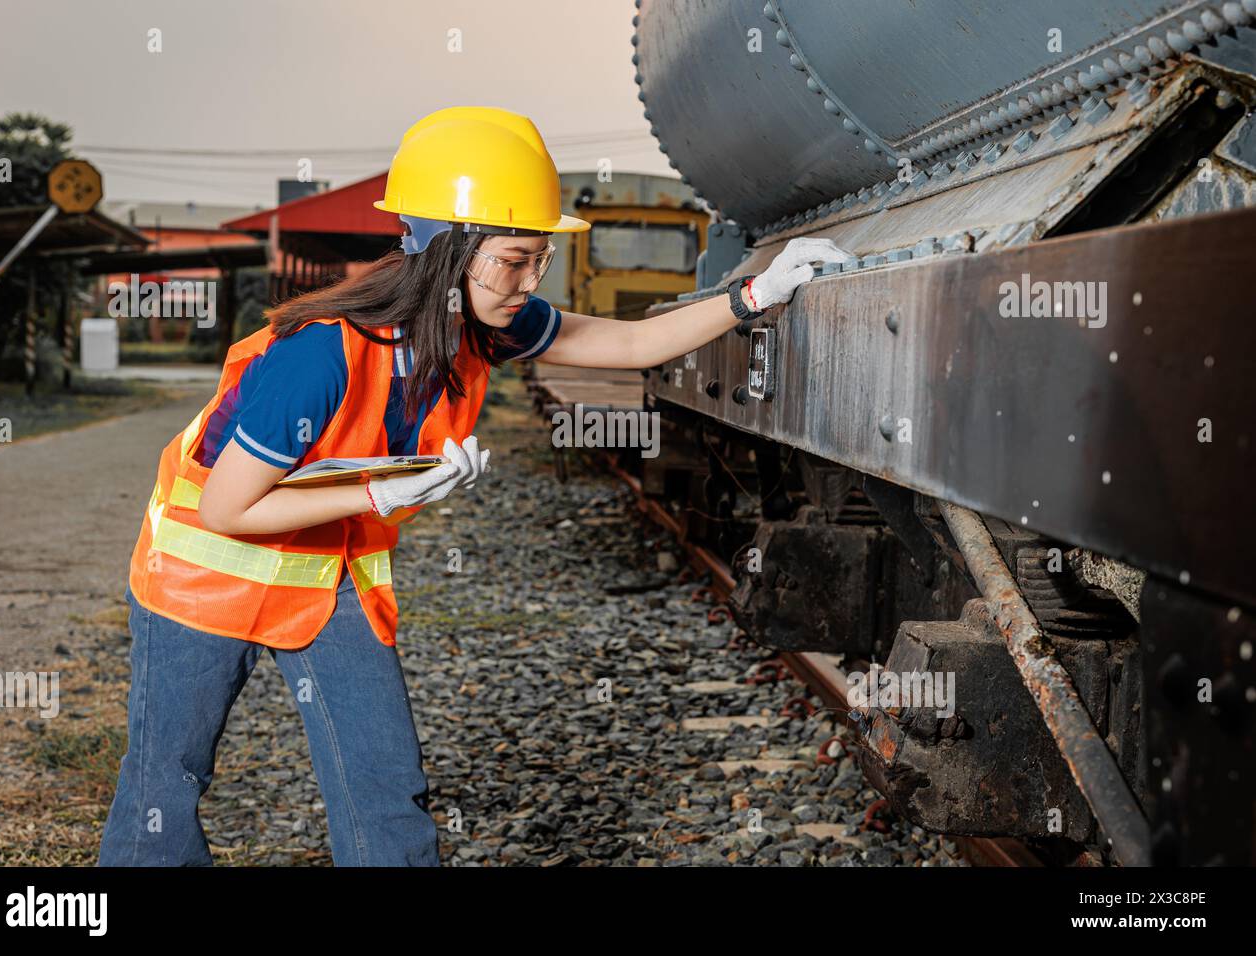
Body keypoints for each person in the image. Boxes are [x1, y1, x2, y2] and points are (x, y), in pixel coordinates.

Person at [97, 105, 847, 866]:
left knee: (387, 788)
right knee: (166, 786)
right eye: (512, 260)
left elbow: (628, 340)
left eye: (539, 260)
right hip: (202, 577)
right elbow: (227, 508)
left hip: (326, 574)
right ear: (444, 253)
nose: (528, 281)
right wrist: (382, 496)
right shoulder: (319, 357)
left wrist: (754, 295)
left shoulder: (482, 323)